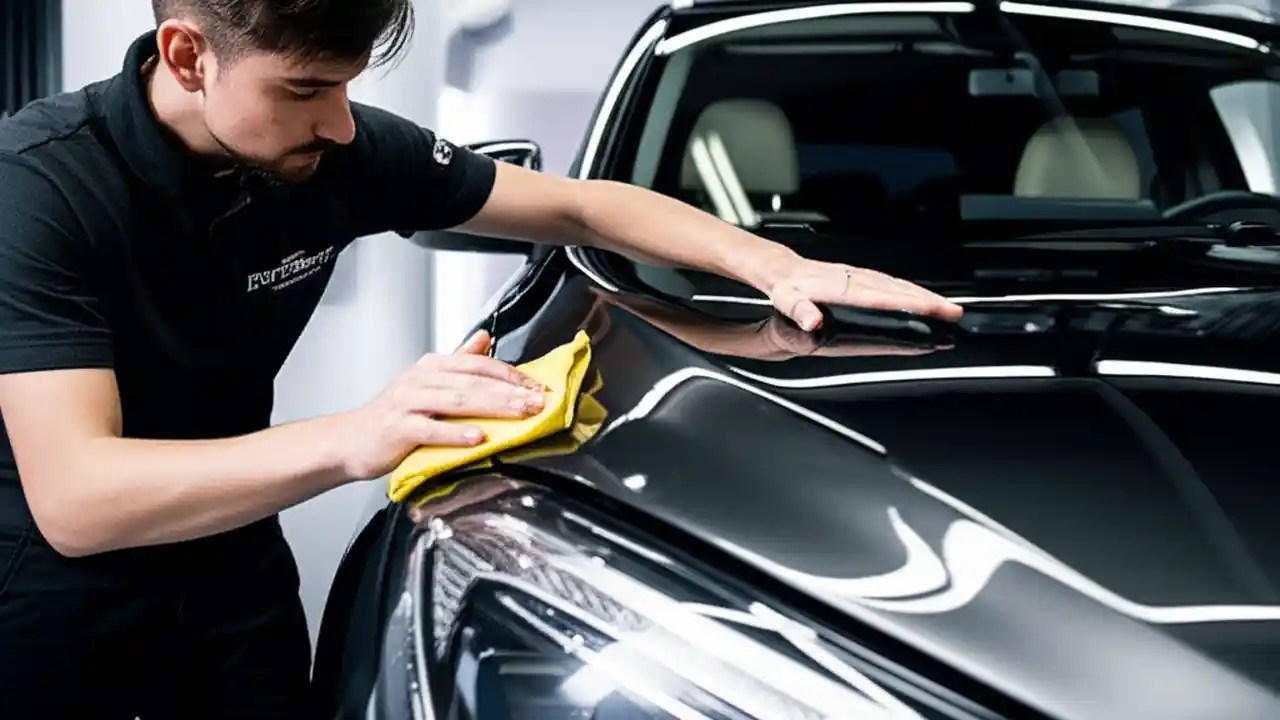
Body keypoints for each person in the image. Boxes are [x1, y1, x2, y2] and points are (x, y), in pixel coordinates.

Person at [0, 0, 963, 717]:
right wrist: (363, 436)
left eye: (347, 86)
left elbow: (582, 206)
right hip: (64, 611)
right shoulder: (39, 188)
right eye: (305, 90)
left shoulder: (337, 151)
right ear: (188, 55)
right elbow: (81, 501)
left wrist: (774, 262)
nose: (340, 123)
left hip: (239, 577)